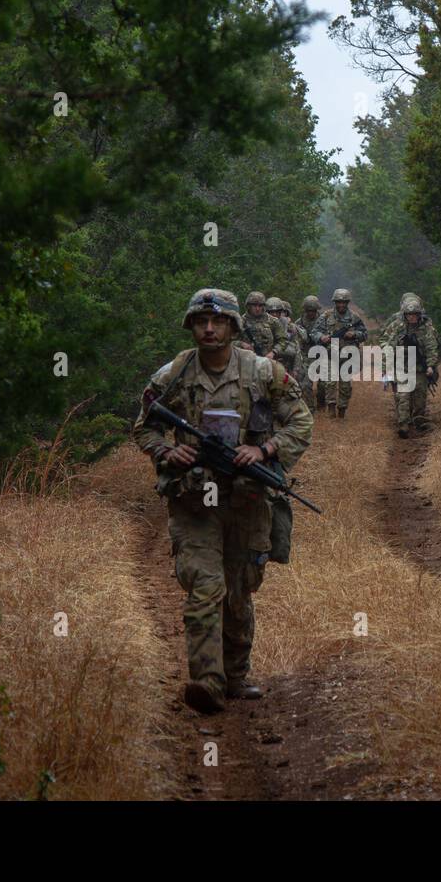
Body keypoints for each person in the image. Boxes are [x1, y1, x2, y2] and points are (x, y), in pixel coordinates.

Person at [132, 288, 313, 713]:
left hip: (247, 499)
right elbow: (144, 427)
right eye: (200, 321)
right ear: (192, 325)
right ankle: (207, 681)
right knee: (204, 587)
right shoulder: (174, 374)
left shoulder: (263, 372)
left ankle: (235, 675)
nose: (209, 329)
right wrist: (166, 451)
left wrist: (264, 451)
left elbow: (301, 421)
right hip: (195, 500)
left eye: (217, 323)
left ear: (233, 326)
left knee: (238, 592)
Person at [381, 293, 440, 438]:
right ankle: (403, 425)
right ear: (404, 314)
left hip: (419, 368)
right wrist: (386, 370)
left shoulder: (426, 328)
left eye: (414, 314)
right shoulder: (397, 327)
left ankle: (418, 421)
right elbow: (388, 348)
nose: (411, 317)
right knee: (403, 396)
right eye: (409, 314)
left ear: (419, 314)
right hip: (401, 366)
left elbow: (432, 348)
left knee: (419, 397)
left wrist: (431, 366)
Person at [309, 288, 367, 418]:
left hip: (348, 355)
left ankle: (342, 409)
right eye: (338, 302)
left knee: (345, 385)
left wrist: (354, 334)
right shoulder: (326, 316)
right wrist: (321, 337)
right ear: (335, 302)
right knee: (330, 381)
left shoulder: (354, 317)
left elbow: (364, 334)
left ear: (347, 303)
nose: (341, 305)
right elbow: (314, 332)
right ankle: (331, 408)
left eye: (344, 302)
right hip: (330, 353)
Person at [238, 290, 287, 359]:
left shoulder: (273, 321)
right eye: (254, 305)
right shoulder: (240, 322)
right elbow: (229, 341)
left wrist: (273, 352)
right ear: (248, 306)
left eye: (260, 305)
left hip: (268, 360)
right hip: (246, 360)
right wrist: (242, 344)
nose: (257, 308)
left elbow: (283, 340)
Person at [297, 295, 324, 412]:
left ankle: (321, 403)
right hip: (305, 355)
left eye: (313, 310)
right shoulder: (299, 323)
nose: (311, 313)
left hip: (321, 354)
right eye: (309, 310)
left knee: (323, 384)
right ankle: (310, 408)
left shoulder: (324, 321)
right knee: (306, 383)